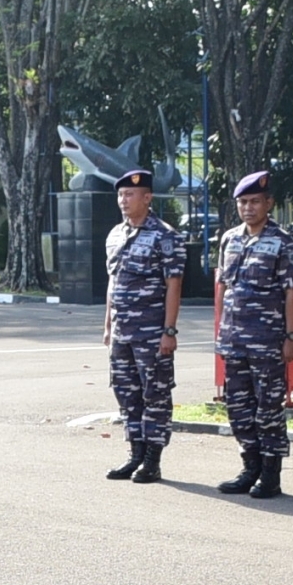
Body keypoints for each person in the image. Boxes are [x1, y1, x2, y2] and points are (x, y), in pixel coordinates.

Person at [212, 170, 293, 500]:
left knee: (268, 410)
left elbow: (292, 292)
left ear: (269, 203)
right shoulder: (230, 239)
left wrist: (291, 337)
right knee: (238, 407)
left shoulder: (283, 242)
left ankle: (270, 474)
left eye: (255, 202)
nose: (248, 208)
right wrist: (221, 328)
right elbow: (223, 287)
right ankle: (249, 467)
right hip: (234, 339)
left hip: (267, 340)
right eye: (243, 202)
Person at [100, 167, 186, 484]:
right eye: (121, 194)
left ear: (147, 198)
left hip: (152, 332)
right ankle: (134, 455)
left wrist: (169, 330)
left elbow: (174, 284)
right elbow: (113, 282)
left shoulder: (166, 236)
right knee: (127, 394)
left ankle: (152, 460)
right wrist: (108, 324)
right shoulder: (114, 235)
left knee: (156, 395)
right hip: (122, 331)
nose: (124, 200)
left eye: (130, 194)